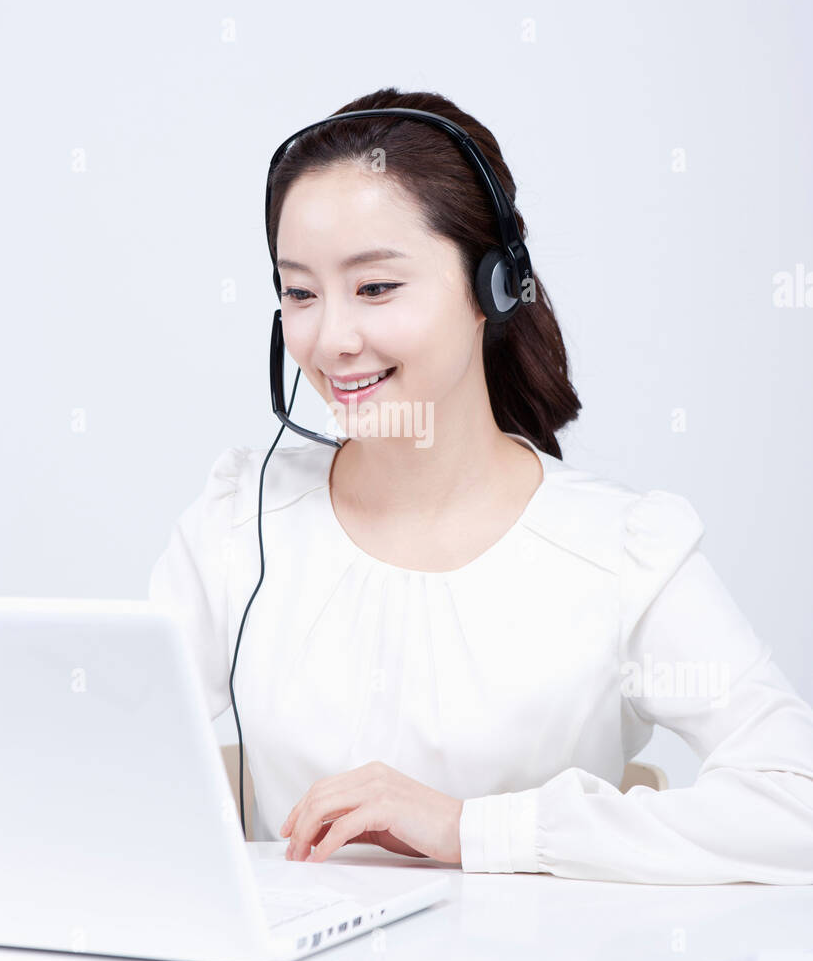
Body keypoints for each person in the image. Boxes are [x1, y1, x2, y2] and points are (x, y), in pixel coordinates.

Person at [149, 87, 813, 883]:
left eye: (376, 288)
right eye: (299, 293)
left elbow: (796, 800)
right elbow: (99, 751)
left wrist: (475, 830)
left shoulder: (621, 552)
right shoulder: (238, 522)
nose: (331, 339)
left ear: (492, 288)